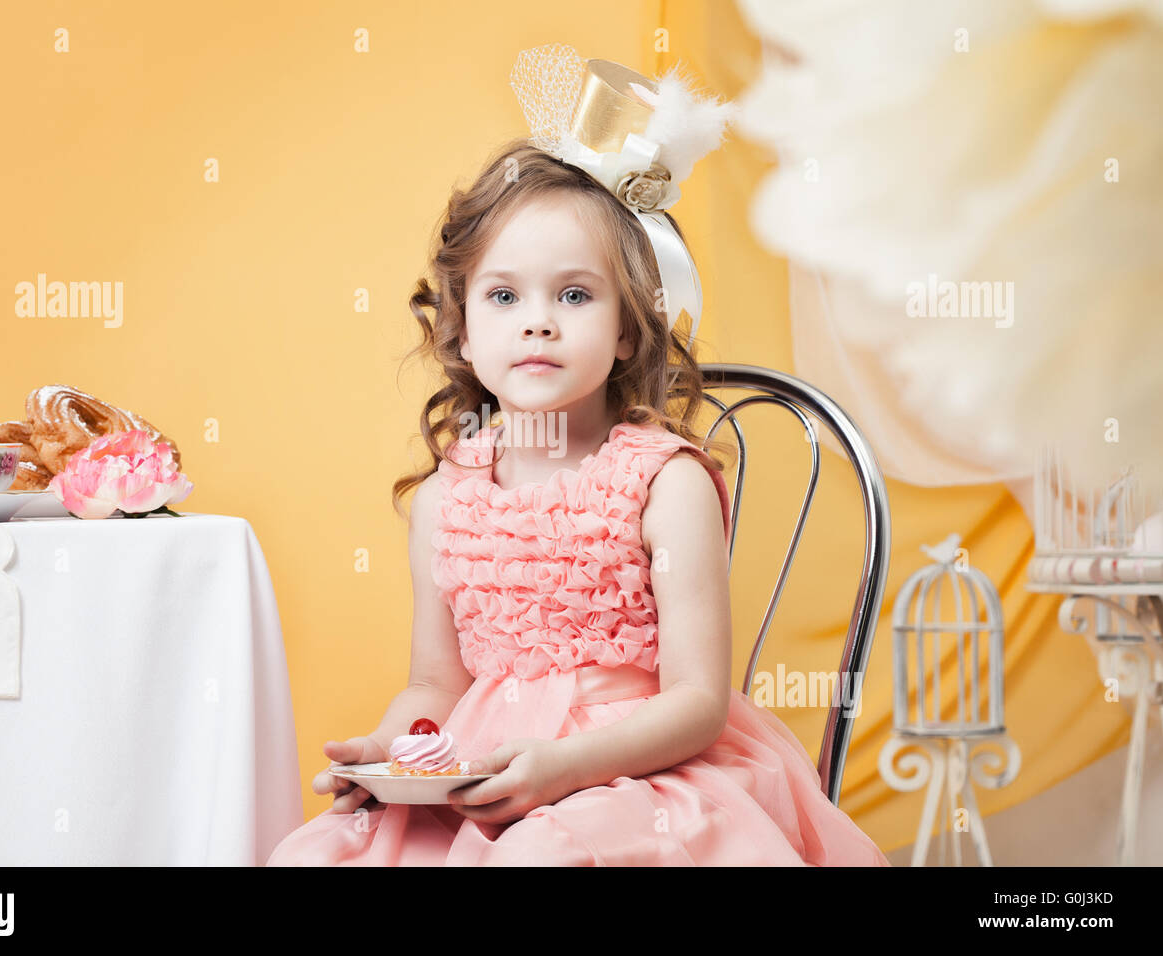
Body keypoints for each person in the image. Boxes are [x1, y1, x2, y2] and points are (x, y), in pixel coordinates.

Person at [267, 47, 890, 866]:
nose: (538, 322)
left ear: (628, 327)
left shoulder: (663, 483)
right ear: (461, 328)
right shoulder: (446, 498)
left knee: (539, 858)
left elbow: (698, 702)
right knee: (311, 857)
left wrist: (564, 767)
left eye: (574, 294)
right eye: (504, 296)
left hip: (638, 775)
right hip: (485, 776)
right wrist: (392, 751)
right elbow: (435, 684)